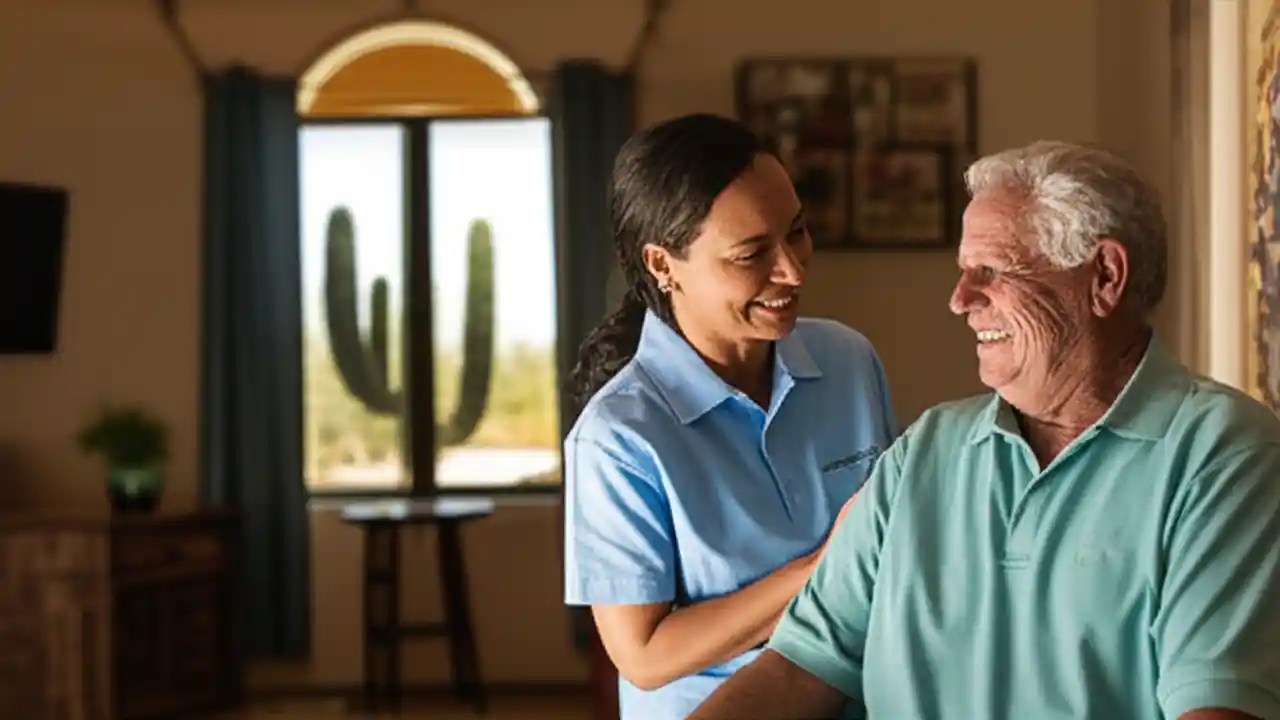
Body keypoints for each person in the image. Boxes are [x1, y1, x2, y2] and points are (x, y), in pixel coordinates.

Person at [690, 140, 1280, 720]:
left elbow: (1218, 705)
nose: (959, 299)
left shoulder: (1226, 457)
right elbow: (796, 669)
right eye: (963, 271)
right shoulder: (926, 451)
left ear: (1104, 275)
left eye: (991, 271)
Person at [561, 113, 897, 719]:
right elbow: (644, 656)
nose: (792, 270)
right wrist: (820, 569)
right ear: (663, 266)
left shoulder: (849, 361)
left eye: (797, 232)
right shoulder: (617, 437)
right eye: (752, 254)